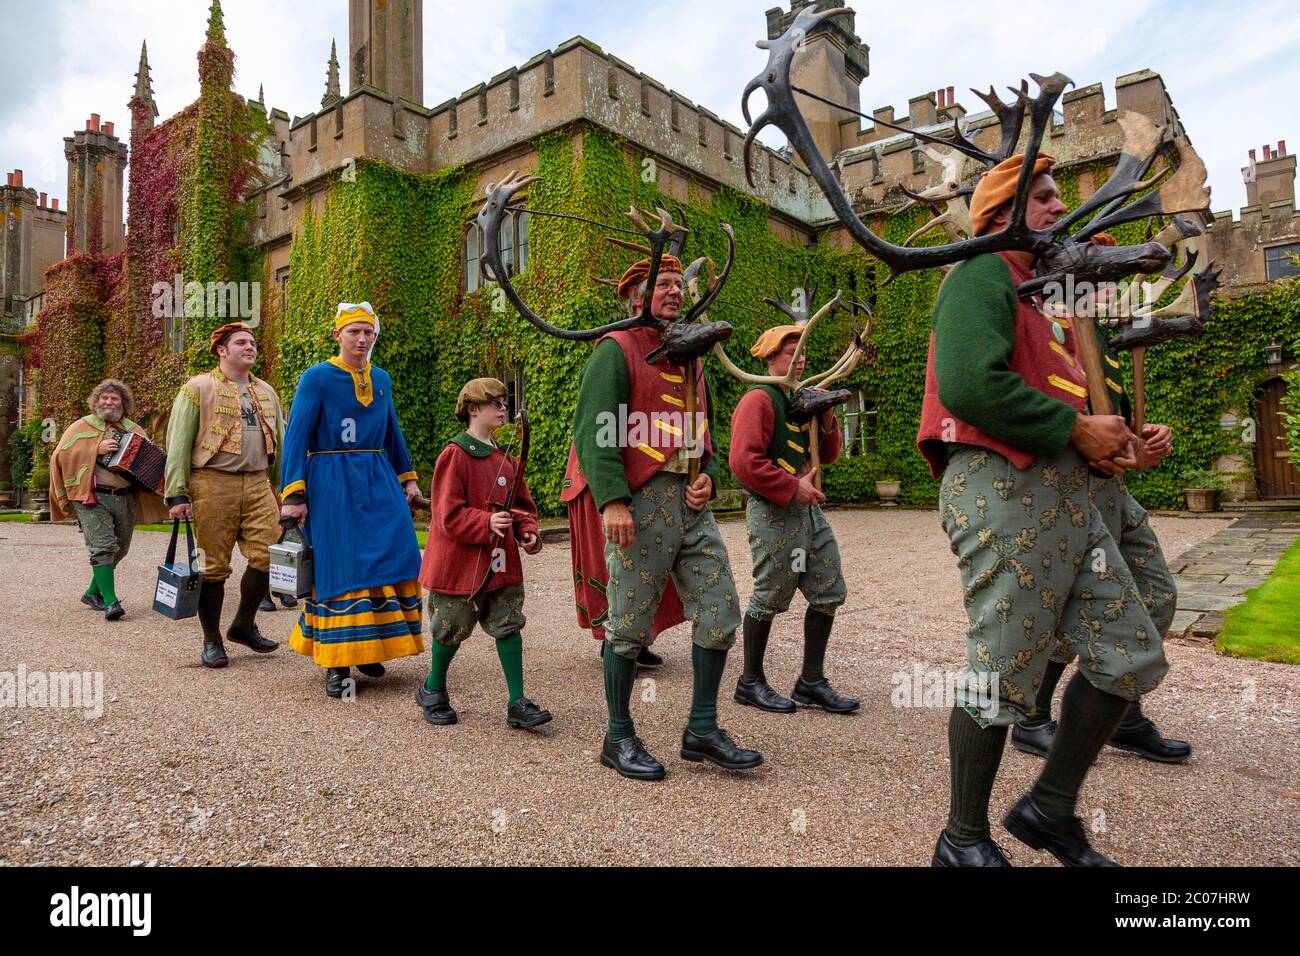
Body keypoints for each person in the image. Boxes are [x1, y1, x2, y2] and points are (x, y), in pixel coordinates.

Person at [916, 153, 1168, 866]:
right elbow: (968, 383)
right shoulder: (982, 274)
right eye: (1046, 197)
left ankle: (1049, 808)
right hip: (1000, 487)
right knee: (1003, 666)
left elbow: (1065, 405)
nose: (1061, 207)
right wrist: (1070, 429)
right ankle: (961, 840)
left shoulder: (1048, 297)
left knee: (1129, 649)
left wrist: (1107, 441)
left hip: (1062, 491)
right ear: (1001, 215)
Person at [570, 254, 761, 781]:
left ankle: (701, 728)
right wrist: (611, 500)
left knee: (721, 610)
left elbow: (706, 429)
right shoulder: (616, 350)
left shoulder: (692, 356)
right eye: (663, 284)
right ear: (635, 296)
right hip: (641, 502)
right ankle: (618, 735)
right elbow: (595, 432)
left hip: (690, 503)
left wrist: (708, 474)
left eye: (680, 284)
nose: (675, 291)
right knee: (628, 626)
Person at [1013, 233, 1189, 763]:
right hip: (1068, 490)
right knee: (1077, 607)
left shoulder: (1100, 345)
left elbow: (1122, 436)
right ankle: (1032, 716)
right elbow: (1037, 416)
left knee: (1154, 596)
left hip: (1113, 490)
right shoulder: (1043, 333)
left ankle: (1121, 711)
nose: (1108, 288)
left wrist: (1146, 440)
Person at [278, 302, 423, 699]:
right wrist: (294, 493)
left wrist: (408, 480)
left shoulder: (382, 378)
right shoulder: (317, 378)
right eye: (354, 332)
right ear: (337, 335)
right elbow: (296, 437)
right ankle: (338, 661)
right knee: (340, 563)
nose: (361, 339)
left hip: (377, 477)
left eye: (368, 333)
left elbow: (392, 431)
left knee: (394, 553)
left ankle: (370, 644)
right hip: (331, 480)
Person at [728, 327, 856, 713]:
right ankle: (750, 681)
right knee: (771, 593)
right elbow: (743, 462)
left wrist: (828, 413)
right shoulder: (759, 399)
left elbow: (828, 455)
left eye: (801, 351)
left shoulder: (799, 396)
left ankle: (811, 681)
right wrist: (790, 487)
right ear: (769, 357)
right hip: (773, 511)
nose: (799, 357)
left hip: (808, 512)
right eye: (790, 351)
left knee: (829, 587)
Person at [415, 377, 551, 730]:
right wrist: (486, 522)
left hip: (501, 563)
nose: (503, 409)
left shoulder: (505, 458)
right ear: (474, 409)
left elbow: (522, 506)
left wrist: (529, 533)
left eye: (504, 403)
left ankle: (517, 702)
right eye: (496, 403)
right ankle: (433, 689)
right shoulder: (454, 455)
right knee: (450, 627)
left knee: (508, 624)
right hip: (460, 566)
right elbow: (447, 514)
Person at [165, 322, 283, 667]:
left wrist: (283, 487)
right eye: (241, 343)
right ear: (222, 350)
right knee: (211, 565)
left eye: (252, 342)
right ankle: (212, 639)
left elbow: (280, 440)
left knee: (270, 555)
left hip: (259, 482)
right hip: (211, 483)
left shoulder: (267, 391)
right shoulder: (198, 387)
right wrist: (177, 494)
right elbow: (178, 442)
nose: (250, 347)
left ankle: (244, 624)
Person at [49, 379, 169, 620]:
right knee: (103, 547)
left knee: (120, 548)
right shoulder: (80, 427)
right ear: (96, 402)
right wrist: (95, 450)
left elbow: (149, 463)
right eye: (104, 398)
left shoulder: (134, 430)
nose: (108, 402)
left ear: (123, 404)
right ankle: (111, 602)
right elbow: (60, 456)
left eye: (114, 399)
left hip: (126, 497)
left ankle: (92, 592)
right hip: (91, 496)